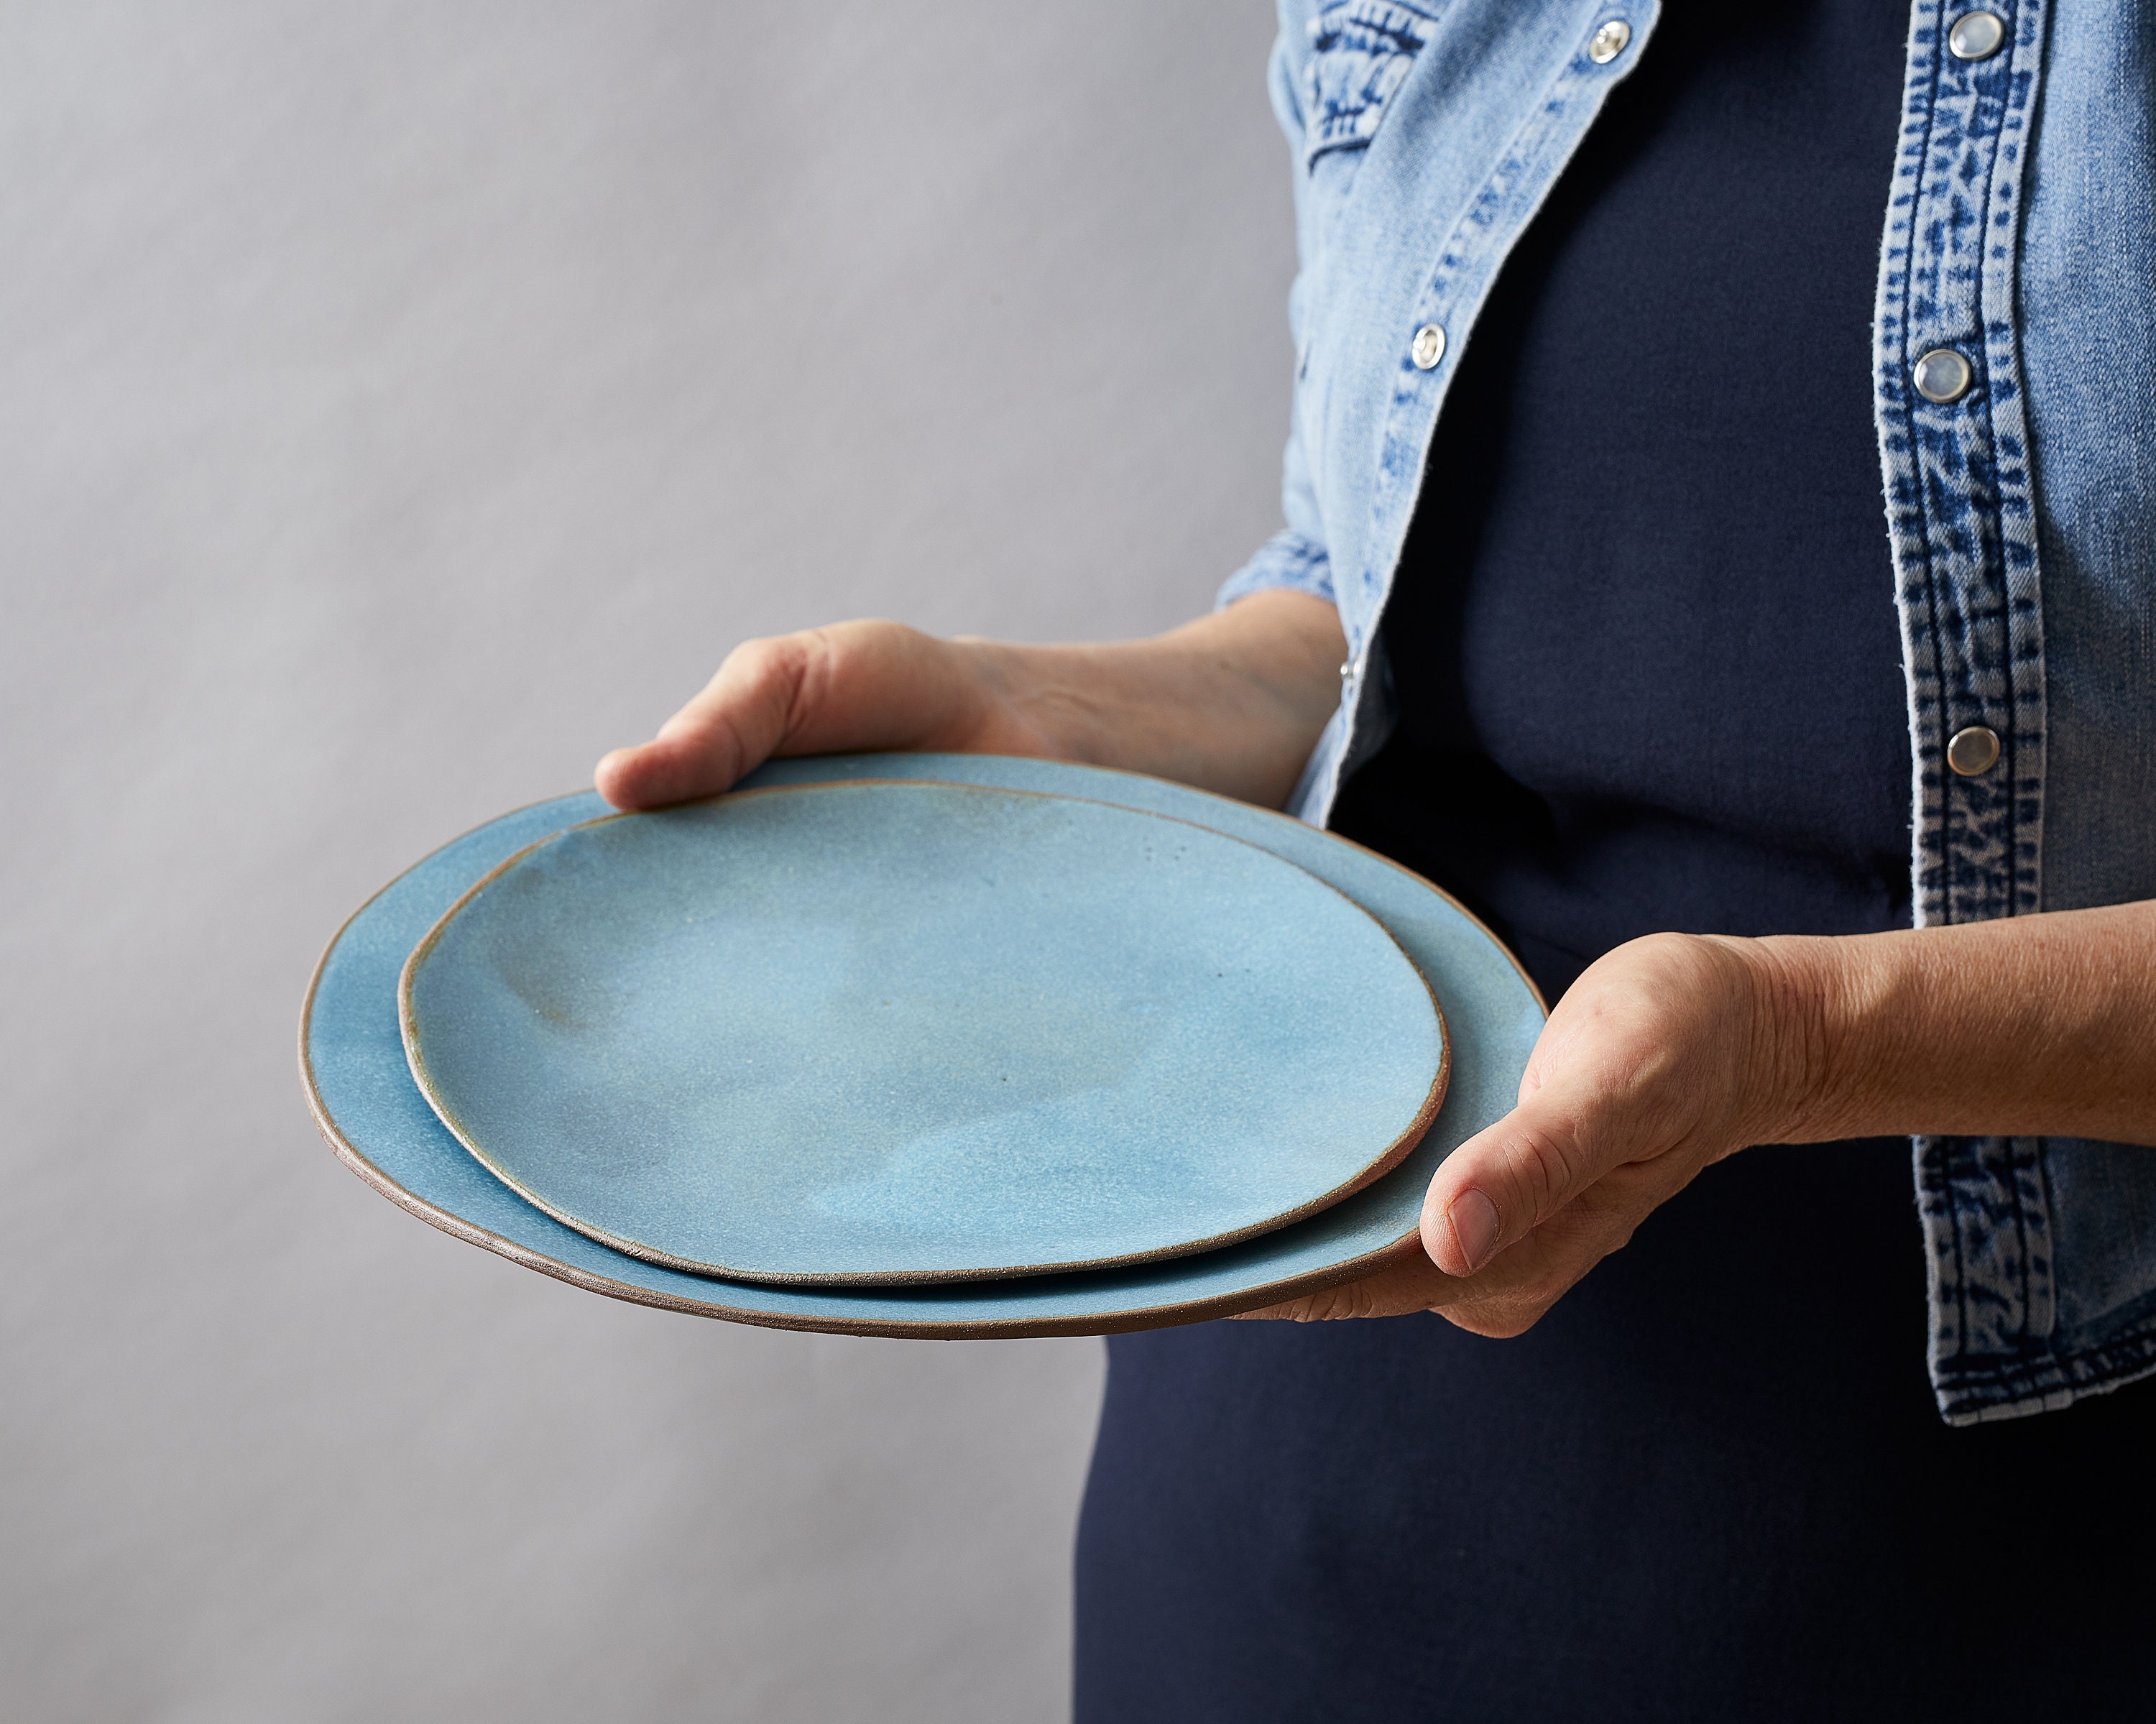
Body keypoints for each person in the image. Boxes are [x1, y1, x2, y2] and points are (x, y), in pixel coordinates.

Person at [599, 1, 2156, 1714]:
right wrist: (1052, 715)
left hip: (1968, 1568)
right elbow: (1365, 589)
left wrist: (1803, 1044)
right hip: (1282, 1529)